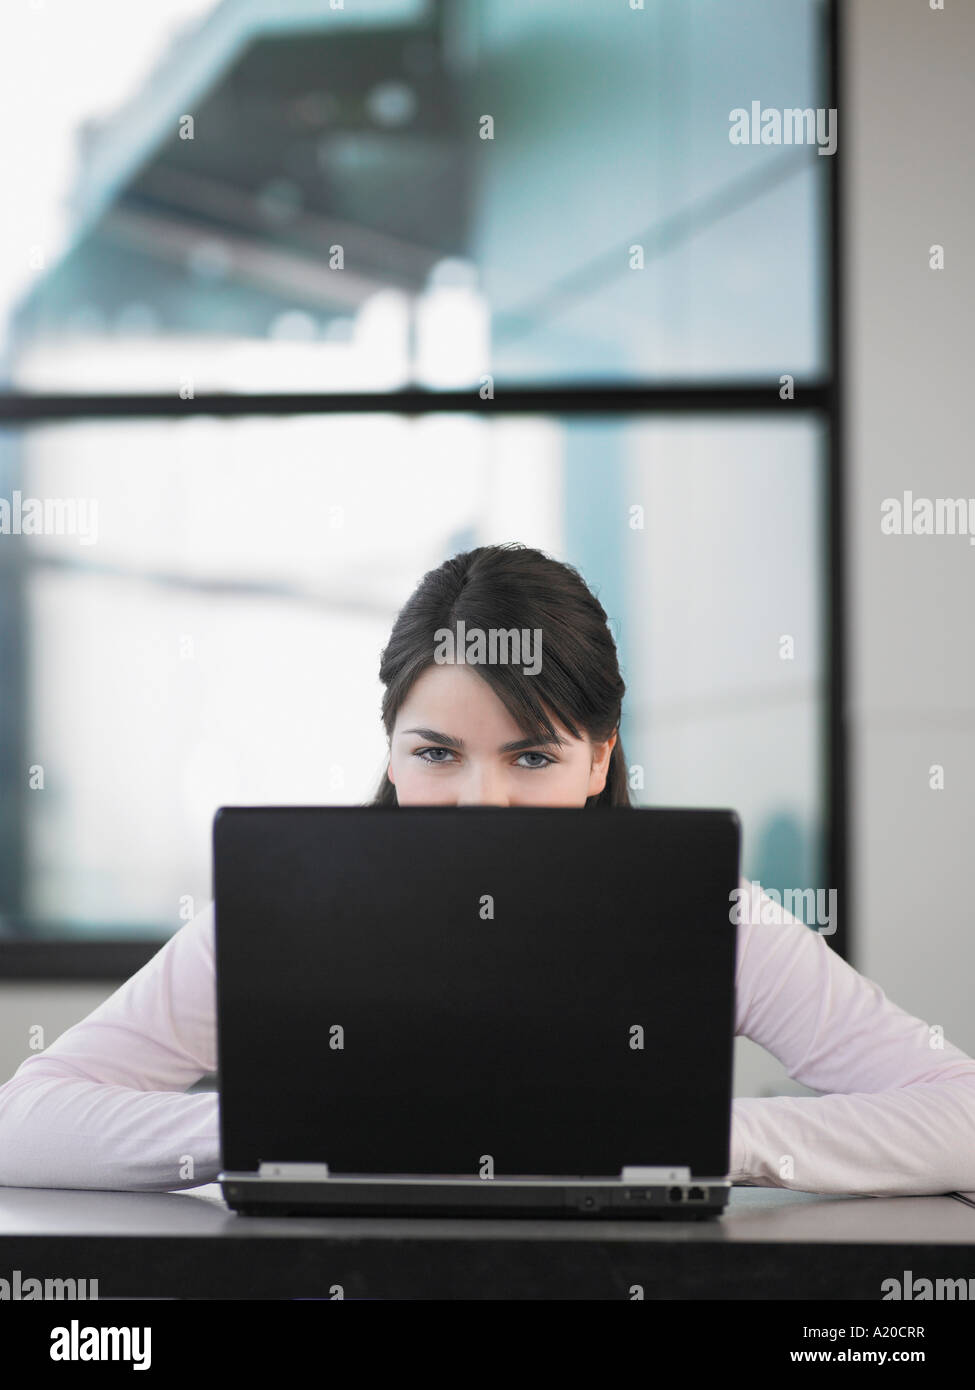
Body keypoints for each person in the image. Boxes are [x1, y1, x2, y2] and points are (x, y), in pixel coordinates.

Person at [1, 543, 973, 1197]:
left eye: (532, 757)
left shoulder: (704, 913)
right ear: (389, 751)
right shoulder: (290, 913)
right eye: (436, 754)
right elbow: (25, 1119)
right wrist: (277, 1125)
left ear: (599, 757)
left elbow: (961, 1114)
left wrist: (713, 1138)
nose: (480, 800)